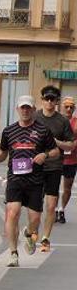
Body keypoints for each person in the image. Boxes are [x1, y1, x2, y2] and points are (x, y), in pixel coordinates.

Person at [0, 94, 59, 267]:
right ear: (17, 109)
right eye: (22, 107)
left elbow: (55, 151)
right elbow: (3, 154)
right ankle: (13, 253)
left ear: (33, 110)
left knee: (34, 220)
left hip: (35, 181)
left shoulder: (43, 130)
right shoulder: (9, 131)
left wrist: (44, 155)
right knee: (13, 212)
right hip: (15, 179)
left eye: (28, 107)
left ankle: (29, 233)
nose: (25, 110)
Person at [34, 84, 75, 250]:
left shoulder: (63, 121)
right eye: (46, 99)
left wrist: (56, 142)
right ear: (42, 100)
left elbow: (71, 145)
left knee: (51, 205)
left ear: (56, 102)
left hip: (54, 167)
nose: (49, 102)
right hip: (35, 167)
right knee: (35, 205)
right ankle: (31, 231)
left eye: (53, 99)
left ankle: (45, 238)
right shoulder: (34, 118)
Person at [59, 94, 77, 224]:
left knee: (68, 187)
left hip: (71, 160)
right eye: (66, 107)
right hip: (56, 159)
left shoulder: (76, 122)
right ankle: (52, 209)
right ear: (62, 107)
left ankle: (61, 209)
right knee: (51, 187)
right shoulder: (56, 120)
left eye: (71, 107)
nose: (69, 109)